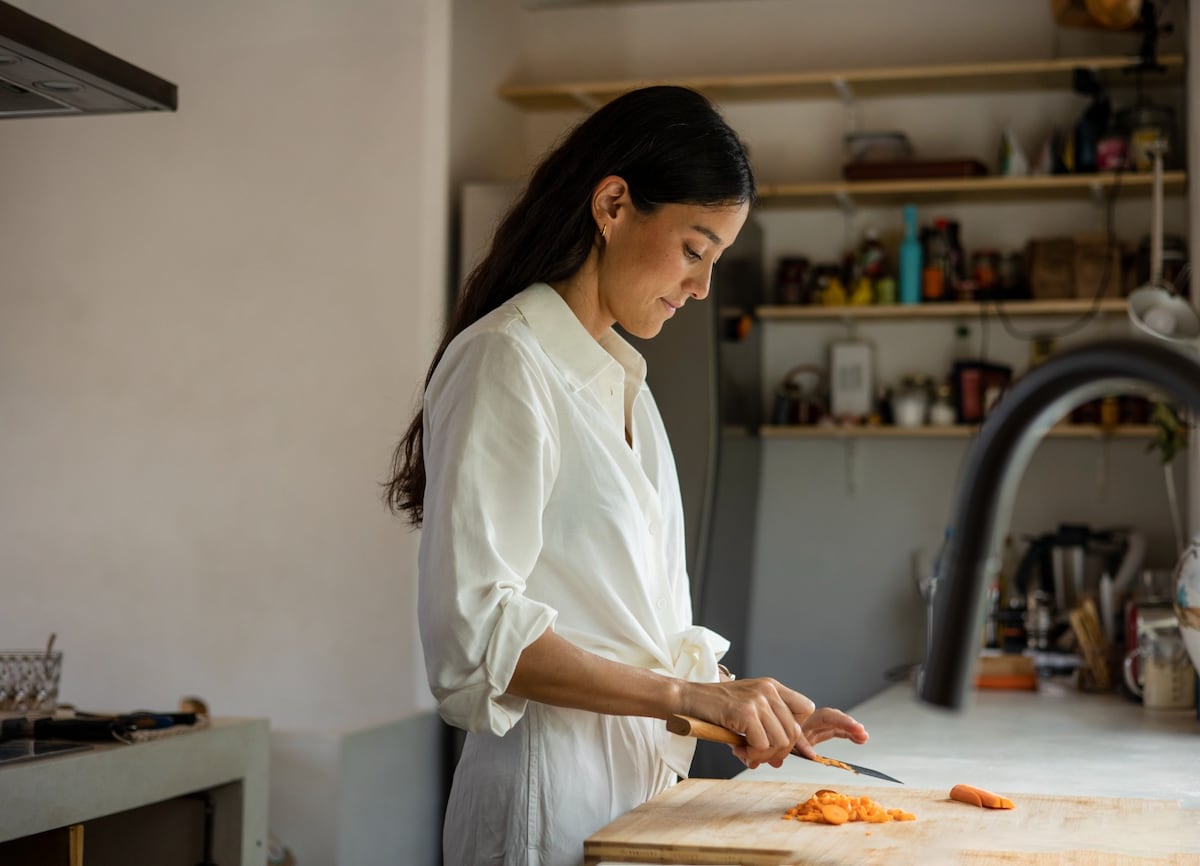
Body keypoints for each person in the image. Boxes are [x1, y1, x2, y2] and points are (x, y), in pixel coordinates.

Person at [385, 85, 869, 866]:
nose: (703, 286)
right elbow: (473, 634)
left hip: (638, 807)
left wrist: (746, 707)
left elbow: (621, 623)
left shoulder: (625, 386)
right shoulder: (505, 360)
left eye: (716, 259)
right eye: (695, 248)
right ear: (612, 205)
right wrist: (692, 696)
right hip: (541, 812)